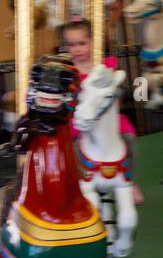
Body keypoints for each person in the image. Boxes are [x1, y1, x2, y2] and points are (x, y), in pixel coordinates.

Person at [58, 19, 143, 206]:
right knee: (67, 144)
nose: (76, 49)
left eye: (82, 43)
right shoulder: (67, 72)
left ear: (92, 42)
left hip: (106, 119)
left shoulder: (105, 67)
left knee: (127, 136)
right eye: (71, 45)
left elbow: (116, 94)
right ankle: (76, 180)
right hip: (81, 119)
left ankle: (130, 180)